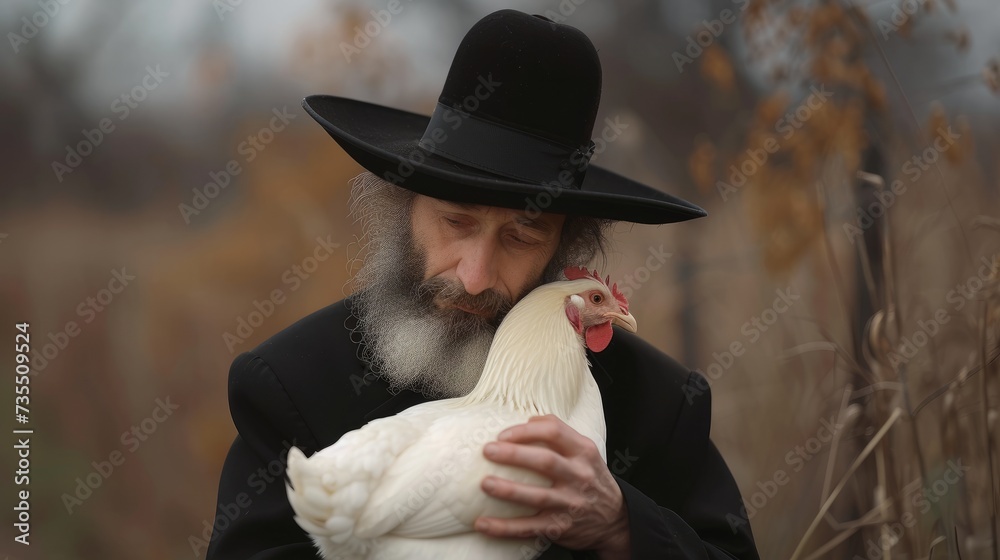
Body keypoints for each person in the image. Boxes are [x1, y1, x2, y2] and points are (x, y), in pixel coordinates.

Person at [206, 9, 759, 560]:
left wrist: (622, 525)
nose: (474, 276)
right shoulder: (294, 385)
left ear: (564, 247)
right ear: (404, 210)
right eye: (456, 223)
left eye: (520, 238)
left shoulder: (657, 405)